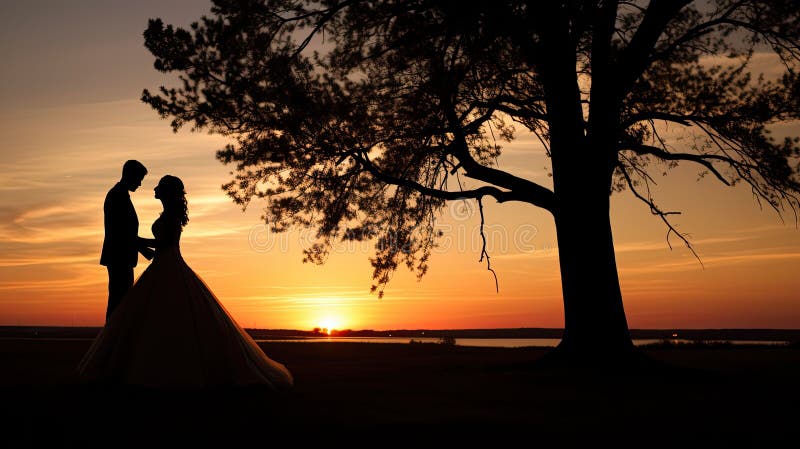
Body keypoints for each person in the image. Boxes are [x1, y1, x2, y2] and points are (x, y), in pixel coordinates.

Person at [77, 175, 293, 389]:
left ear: (167, 192)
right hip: (162, 264)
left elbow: (165, 243)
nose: (154, 189)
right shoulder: (168, 214)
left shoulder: (171, 216)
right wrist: (139, 243)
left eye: (159, 187)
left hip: (168, 264)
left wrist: (136, 241)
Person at [100, 160, 154, 322]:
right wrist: (146, 248)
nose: (139, 184)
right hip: (118, 257)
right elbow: (121, 232)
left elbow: (126, 232)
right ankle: (111, 341)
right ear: (130, 175)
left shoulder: (120, 195)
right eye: (139, 179)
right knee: (119, 302)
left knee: (120, 301)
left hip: (121, 257)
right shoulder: (117, 196)